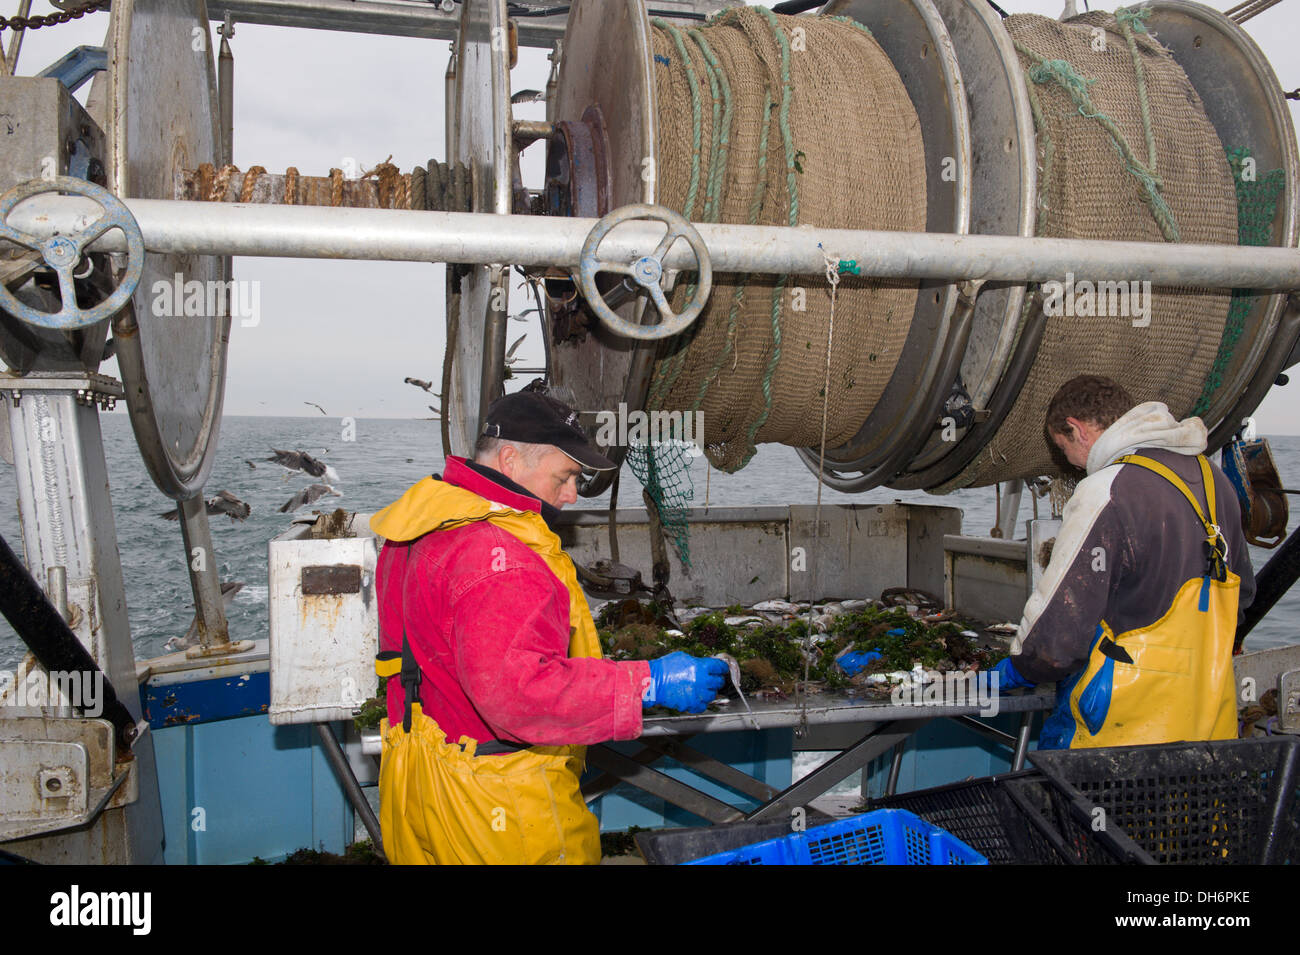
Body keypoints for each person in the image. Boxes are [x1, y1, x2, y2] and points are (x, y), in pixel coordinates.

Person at [368, 390, 727, 864]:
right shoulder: (499, 557)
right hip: (495, 805)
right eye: (565, 476)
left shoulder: (420, 523)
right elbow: (519, 696)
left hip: (420, 775)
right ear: (511, 458)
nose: (571, 494)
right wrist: (648, 682)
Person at [984, 375, 1255, 750]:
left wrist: (1016, 669)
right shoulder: (1216, 483)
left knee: (1082, 809)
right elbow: (1241, 600)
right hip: (1209, 726)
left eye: (1064, 450)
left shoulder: (1106, 490)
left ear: (1077, 430)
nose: (1074, 466)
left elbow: (1057, 641)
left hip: (1122, 734)